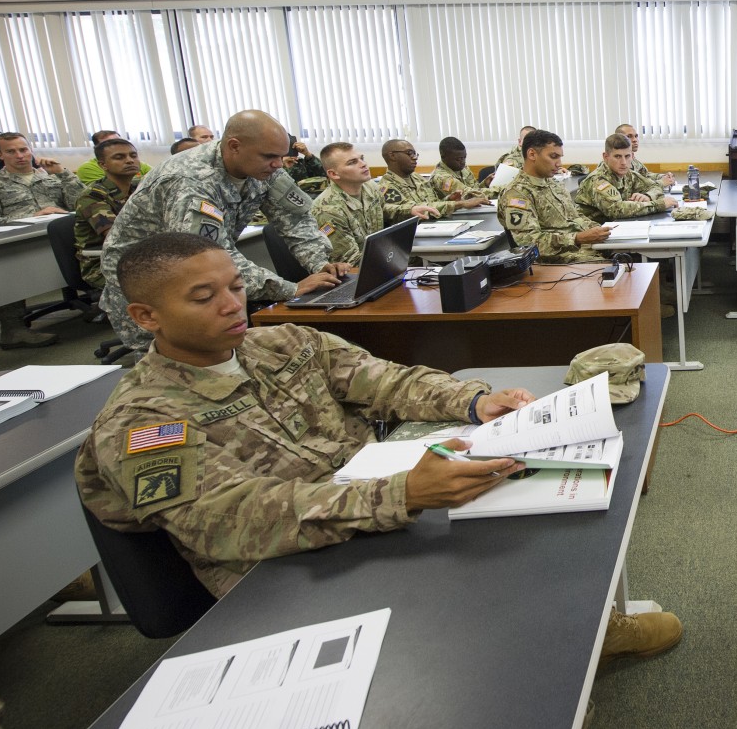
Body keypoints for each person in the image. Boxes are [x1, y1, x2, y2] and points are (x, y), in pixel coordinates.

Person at [75, 232, 682, 661]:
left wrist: (474, 402)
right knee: (473, 585)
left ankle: (576, 635)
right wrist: (402, 494)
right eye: (204, 298)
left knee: (522, 518)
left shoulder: (279, 341)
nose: (233, 305)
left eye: (235, 287)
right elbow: (225, 522)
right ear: (146, 316)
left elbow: (387, 380)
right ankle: (549, 648)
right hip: (276, 570)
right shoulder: (142, 420)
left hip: (373, 503)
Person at [98, 109, 349, 350]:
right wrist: (289, 289)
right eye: (269, 156)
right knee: (171, 355)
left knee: (219, 348)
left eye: (280, 156)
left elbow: (296, 220)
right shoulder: (191, 180)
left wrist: (320, 263)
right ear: (234, 146)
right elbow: (204, 257)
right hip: (145, 278)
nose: (277, 164)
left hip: (194, 269)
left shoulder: (265, 165)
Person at [0, 132, 84, 348]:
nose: (20, 156)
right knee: (2, 265)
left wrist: (63, 173)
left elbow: (82, 204)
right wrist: (31, 217)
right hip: (15, 247)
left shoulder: (50, 178)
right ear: (0, 155)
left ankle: (99, 303)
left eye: (23, 149)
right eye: (11, 151)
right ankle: (13, 330)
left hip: (60, 239)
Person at [312, 141, 438, 266]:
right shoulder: (328, 210)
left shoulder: (370, 187)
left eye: (362, 158)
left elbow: (381, 209)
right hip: (358, 272)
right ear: (333, 174)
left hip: (382, 258)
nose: (363, 164)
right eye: (352, 162)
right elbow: (350, 262)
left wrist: (409, 209)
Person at [497, 129, 611, 263]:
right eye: (553, 156)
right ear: (532, 154)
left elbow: (576, 217)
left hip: (585, 248)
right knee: (622, 269)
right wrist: (577, 238)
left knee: (631, 253)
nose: (559, 163)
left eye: (560, 157)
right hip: (559, 260)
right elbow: (529, 243)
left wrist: (603, 231)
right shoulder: (517, 194)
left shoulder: (553, 184)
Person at [73, 138, 141, 288]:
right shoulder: (92, 196)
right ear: (103, 165)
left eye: (133, 155)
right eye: (119, 157)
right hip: (104, 264)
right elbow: (117, 237)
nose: (130, 161)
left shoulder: (140, 188)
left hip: (140, 255)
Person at [574, 133, 677, 224]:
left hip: (616, 228)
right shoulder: (597, 180)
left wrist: (648, 196)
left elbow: (655, 186)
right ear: (606, 157)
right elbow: (617, 209)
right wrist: (659, 205)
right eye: (617, 157)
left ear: (632, 156)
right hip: (591, 235)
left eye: (627, 156)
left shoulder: (628, 174)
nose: (623, 162)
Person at [376, 139, 488, 218]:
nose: (414, 158)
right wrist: (460, 204)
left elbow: (433, 203)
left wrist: (449, 199)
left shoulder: (417, 178)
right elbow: (420, 210)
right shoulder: (386, 187)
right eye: (409, 153)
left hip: (436, 225)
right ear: (392, 156)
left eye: (415, 154)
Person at [74, 130, 152, 184]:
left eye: (120, 141)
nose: (129, 160)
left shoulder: (135, 162)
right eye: (111, 143)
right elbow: (110, 187)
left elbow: (159, 177)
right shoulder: (88, 168)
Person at [429, 136, 490, 201]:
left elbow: (474, 189)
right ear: (443, 156)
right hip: (455, 210)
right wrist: (499, 190)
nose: (463, 162)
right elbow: (470, 195)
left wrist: (484, 184)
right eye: (458, 159)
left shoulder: (462, 168)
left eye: (464, 157)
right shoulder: (442, 178)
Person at [615, 124, 674, 188]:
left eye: (636, 136)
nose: (634, 140)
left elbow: (645, 175)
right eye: (629, 136)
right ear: (618, 140)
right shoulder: (619, 162)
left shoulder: (633, 160)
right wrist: (662, 182)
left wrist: (663, 176)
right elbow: (636, 186)